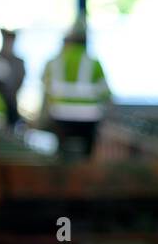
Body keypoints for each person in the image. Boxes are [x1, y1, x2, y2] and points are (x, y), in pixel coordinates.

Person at [41, 14, 111, 157]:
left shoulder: (53, 63)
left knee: (62, 155)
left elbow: (46, 90)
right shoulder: (94, 63)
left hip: (60, 116)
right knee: (86, 154)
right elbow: (106, 93)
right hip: (89, 118)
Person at [0, 27, 26, 126]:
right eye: (7, 40)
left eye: (11, 41)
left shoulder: (19, 62)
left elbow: (20, 81)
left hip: (11, 104)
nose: (8, 44)